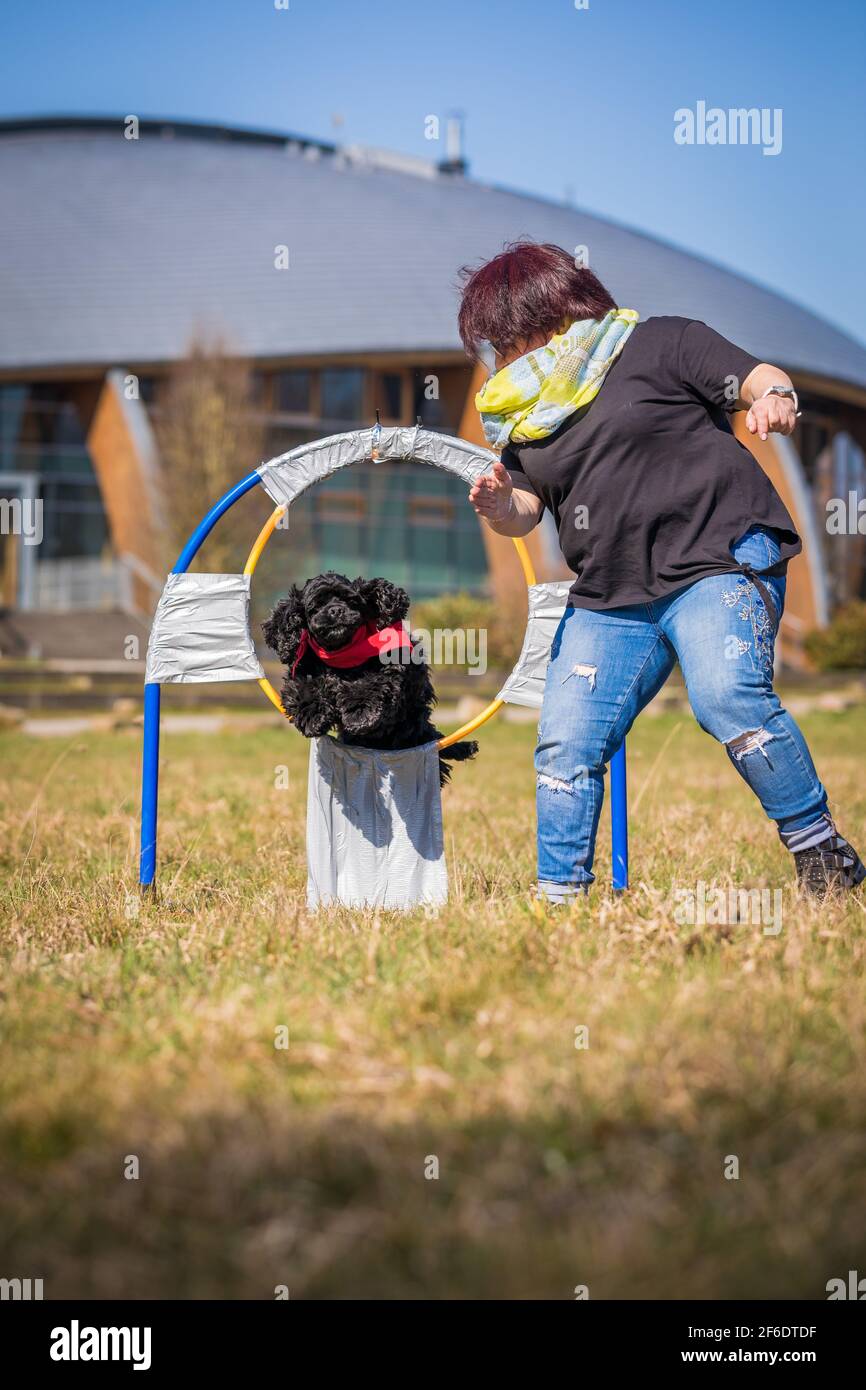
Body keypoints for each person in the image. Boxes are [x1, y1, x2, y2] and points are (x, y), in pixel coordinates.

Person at [459, 241, 864, 902]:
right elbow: (528, 510)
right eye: (491, 344)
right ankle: (558, 905)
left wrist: (776, 399)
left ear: (550, 313)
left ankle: (824, 856)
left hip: (719, 557)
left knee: (726, 696)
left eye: (505, 337)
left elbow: (759, 377)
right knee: (566, 739)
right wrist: (503, 505)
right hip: (610, 593)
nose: (501, 355)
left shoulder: (661, 344)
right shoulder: (527, 415)